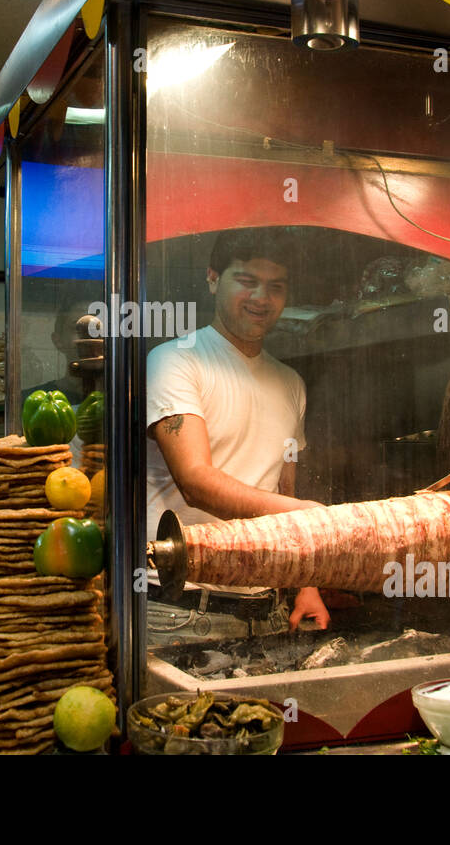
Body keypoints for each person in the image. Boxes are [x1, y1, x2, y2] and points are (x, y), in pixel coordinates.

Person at [146, 229, 330, 631]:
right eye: (247, 282)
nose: (262, 299)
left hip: (265, 608)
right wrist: (311, 517)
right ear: (213, 278)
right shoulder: (175, 362)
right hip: (182, 608)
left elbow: (282, 490)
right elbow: (196, 481)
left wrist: (305, 583)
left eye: (275, 287)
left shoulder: (291, 383)